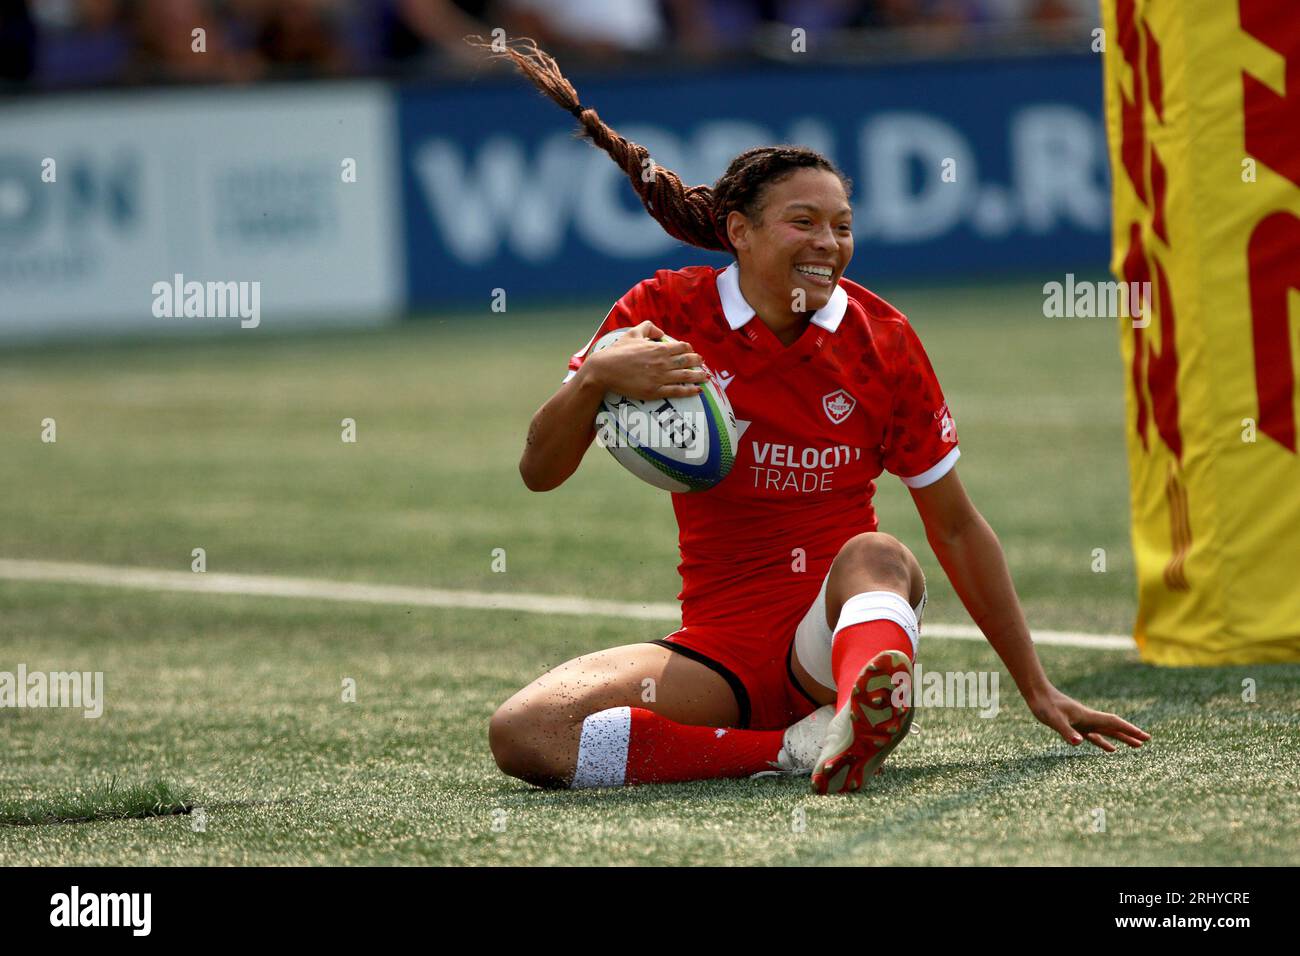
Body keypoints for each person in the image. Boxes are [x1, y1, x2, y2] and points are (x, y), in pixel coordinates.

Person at [481, 37, 1150, 794]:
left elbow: (957, 526)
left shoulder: (883, 340)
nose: (829, 245)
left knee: (881, 553)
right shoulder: (662, 312)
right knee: (527, 732)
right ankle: (787, 749)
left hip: (831, 631)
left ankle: (861, 692)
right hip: (718, 650)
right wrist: (592, 378)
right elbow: (539, 470)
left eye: (842, 225)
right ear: (739, 230)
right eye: (804, 223)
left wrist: (1037, 686)